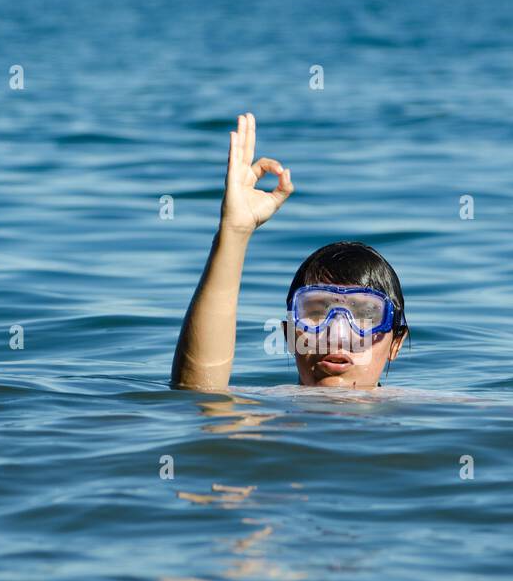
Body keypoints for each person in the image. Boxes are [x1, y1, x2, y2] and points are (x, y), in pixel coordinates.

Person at [171, 113, 409, 391]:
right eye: (317, 312)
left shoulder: (431, 413)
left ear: (395, 343)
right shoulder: (271, 411)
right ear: (289, 334)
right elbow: (198, 393)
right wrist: (234, 233)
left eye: (366, 315)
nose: (338, 334)